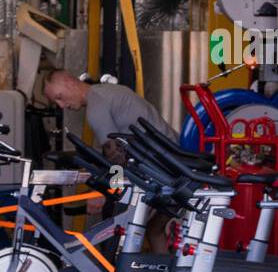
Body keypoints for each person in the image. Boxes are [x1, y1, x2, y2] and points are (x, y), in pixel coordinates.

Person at [43, 69, 178, 252]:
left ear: (69, 82)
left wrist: (103, 191)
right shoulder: (107, 93)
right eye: (55, 102)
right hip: (175, 164)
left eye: (59, 97)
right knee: (154, 230)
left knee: (127, 230)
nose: (61, 105)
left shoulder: (96, 104)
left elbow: (115, 154)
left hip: (163, 169)